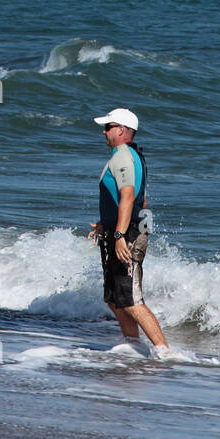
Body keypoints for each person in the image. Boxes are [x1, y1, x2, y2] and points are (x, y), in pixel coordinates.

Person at [88, 108, 167, 349]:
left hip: (127, 235)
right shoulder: (132, 155)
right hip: (123, 230)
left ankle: (165, 354)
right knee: (115, 300)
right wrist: (107, 224)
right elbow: (141, 202)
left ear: (121, 130)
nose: (104, 131)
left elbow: (129, 195)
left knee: (132, 300)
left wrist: (121, 235)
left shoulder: (123, 155)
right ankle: (133, 347)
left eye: (108, 127)